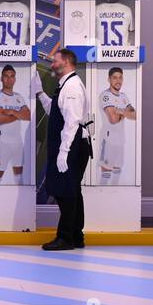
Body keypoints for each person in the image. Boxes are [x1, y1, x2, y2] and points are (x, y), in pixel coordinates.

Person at [32, 48, 90, 250]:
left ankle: (65, 237)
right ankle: (75, 235)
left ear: (66, 62)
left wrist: (63, 152)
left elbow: (72, 123)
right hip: (72, 145)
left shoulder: (72, 87)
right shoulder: (66, 86)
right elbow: (55, 112)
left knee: (65, 191)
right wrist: (40, 93)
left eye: (55, 60)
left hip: (72, 146)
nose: (52, 64)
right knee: (72, 190)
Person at [0, 64, 30, 183]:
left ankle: (20, 200)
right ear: (1, 78)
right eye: (6, 76)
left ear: (15, 79)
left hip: (18, 142)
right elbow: (0, 119)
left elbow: (28, 116)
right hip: (4, 143)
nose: (9, 79)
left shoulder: (19, 97)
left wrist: (12, 112)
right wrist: (19, 114)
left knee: (19, 177)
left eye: (12, 76)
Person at [98, 66, 135, 185]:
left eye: (120, 78)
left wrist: (119, 111)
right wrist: (125, 112)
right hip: (108, 140)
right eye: (114, 78)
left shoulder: (124, 97)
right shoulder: (106, 96)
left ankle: (114, 199)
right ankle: (102, 197)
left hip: (120, 140)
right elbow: (113, 119)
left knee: (117, 171)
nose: (118, 81)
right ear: (109, 79)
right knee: (106, 172)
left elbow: (135, 115)